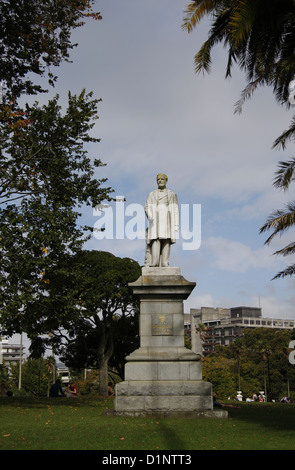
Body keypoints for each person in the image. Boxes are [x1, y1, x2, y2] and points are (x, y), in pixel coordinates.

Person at [145, 173, 179, 267]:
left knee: (167, 239)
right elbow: (147, 207)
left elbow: (175, 209)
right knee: (156, 239)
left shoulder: (172, 194)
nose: (160, 181)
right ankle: (155, 262)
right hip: (155, 219)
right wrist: (150, 214)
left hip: (167, 218)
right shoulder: (151, 194)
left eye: (162, 179)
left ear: (166, 180)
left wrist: (176, 225)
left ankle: (165, 262)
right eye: (158, 179)